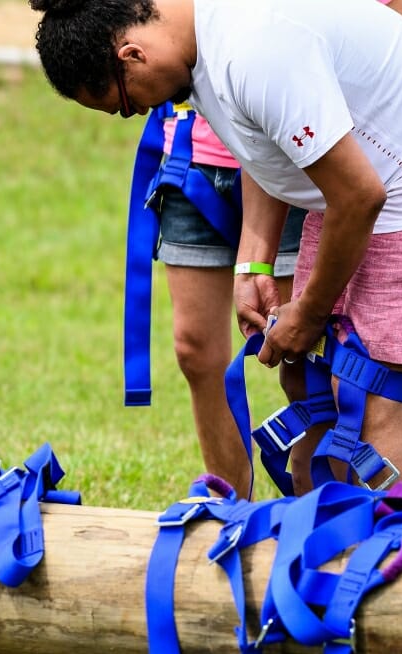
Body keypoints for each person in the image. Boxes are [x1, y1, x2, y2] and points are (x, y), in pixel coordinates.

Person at [31, 0, 402, 493]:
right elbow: (268, 153)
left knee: (364, 393)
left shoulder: (253, 49)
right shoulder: (199, 52)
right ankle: (321, 546)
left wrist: (311, 312)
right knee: (309, 382)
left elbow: (360, 197)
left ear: (131, 55)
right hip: (361, 180)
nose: (139, 113)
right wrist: (253, 261)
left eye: (127, 104)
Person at [127, 103, 304, 499]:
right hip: (191, 154)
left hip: (285, 158)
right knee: (194, 349)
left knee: (304, 355)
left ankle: (321, 506)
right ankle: (230, 506)